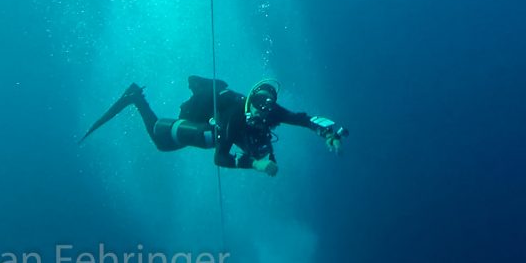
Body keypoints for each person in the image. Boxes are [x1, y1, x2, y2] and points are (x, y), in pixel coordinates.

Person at [80, 76, 348, 177]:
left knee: (261, 150)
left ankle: (139, 98)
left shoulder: (271, 112)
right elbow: (220, 158)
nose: (262, 111)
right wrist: (255, 165)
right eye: (258, 105)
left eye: (267, 107)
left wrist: (330, 134)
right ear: (250, 101)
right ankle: (136, 98)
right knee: (164, 142)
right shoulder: (236, 117)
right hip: (209, 124)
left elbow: (304, 119)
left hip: (233, 130)